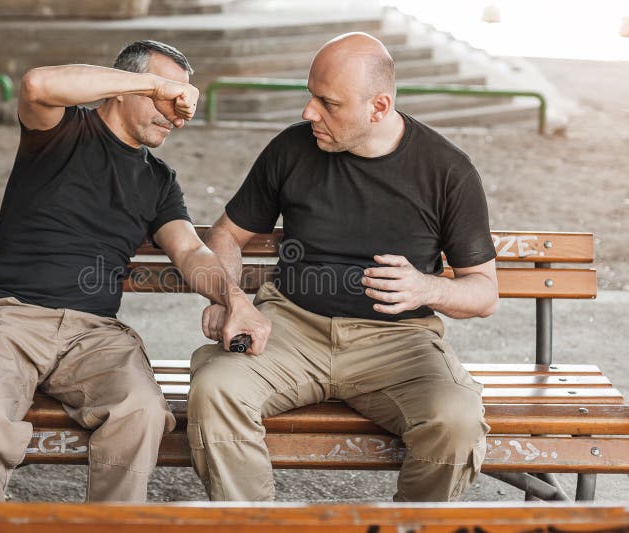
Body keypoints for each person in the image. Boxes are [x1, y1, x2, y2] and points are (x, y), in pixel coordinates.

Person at [0, 40, 271, 503]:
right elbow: (37, 83)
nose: (176, 113)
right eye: (165, 97)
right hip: (11, 319)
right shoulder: (59, 130)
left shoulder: (159, 181)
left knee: (143, 410)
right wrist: (156, 83)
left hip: (94, 334)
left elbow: (191, 251)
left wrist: (233, 299)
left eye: (181, 100)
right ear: (123, 88)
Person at [187, 32, 499, 502]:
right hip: (290, 329)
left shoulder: (447, 171)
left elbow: (484, 292)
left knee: (455, 420)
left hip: (397, 343)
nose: (309, 112)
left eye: (327, 102)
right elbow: (227, 234)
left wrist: (427, 289)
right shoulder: (292, 149)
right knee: (214, 388)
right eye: (310, 95)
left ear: (378, 107)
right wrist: (228, 298)